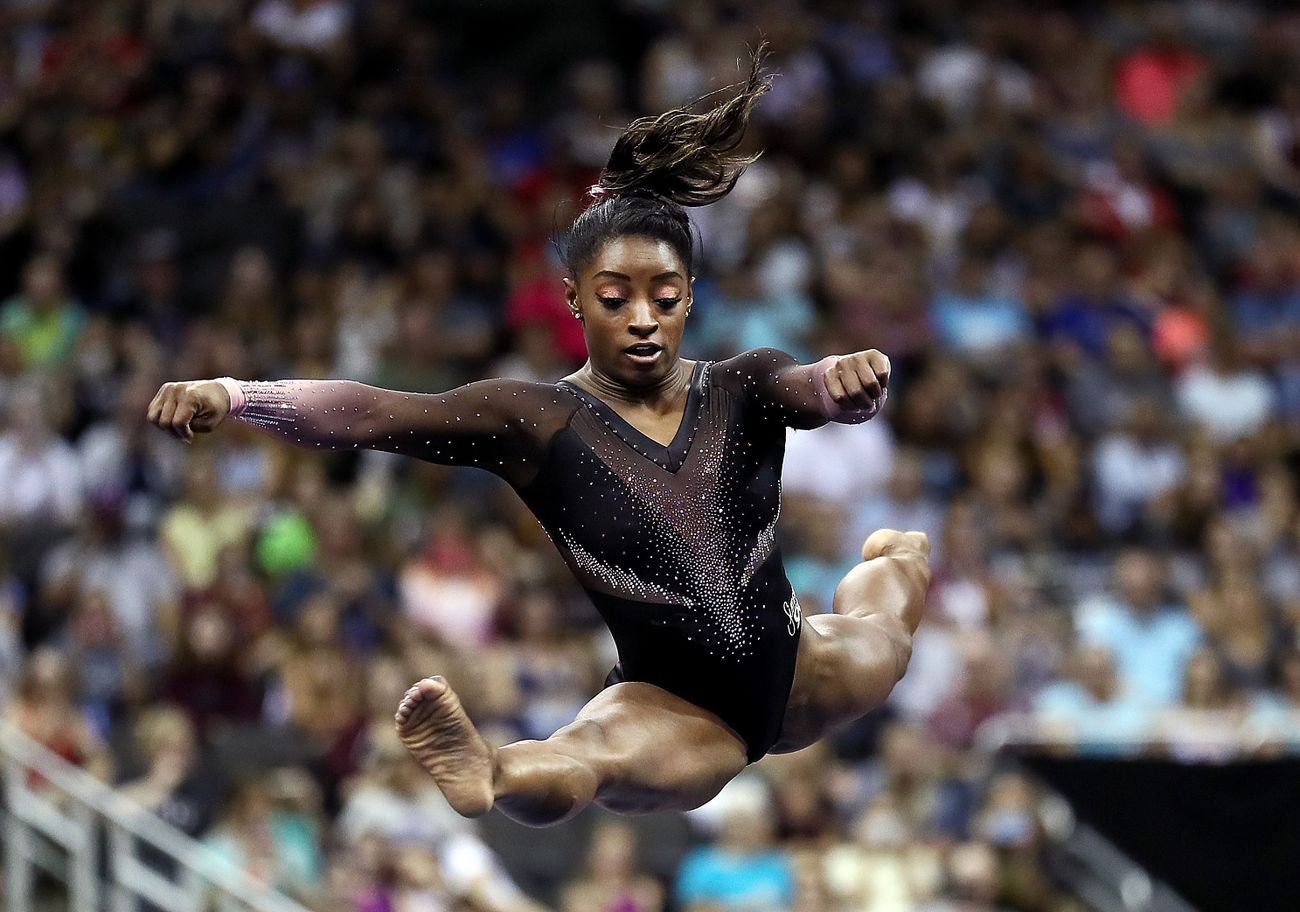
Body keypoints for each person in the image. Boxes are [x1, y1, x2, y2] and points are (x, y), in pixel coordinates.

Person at [147, 47, 930, 827]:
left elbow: (816, 387)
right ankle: (488, 766)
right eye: (615, 297)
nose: (643, 318)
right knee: (592, 753)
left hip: (799, 669)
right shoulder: (538, 421)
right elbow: (373, 410)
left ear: (690, 295)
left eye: (663, 296)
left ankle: (892, 555)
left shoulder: (745, 384)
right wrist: (237, 392)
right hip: (679, 710)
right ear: (575, 299)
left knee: (890, 622)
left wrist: (847, 384)